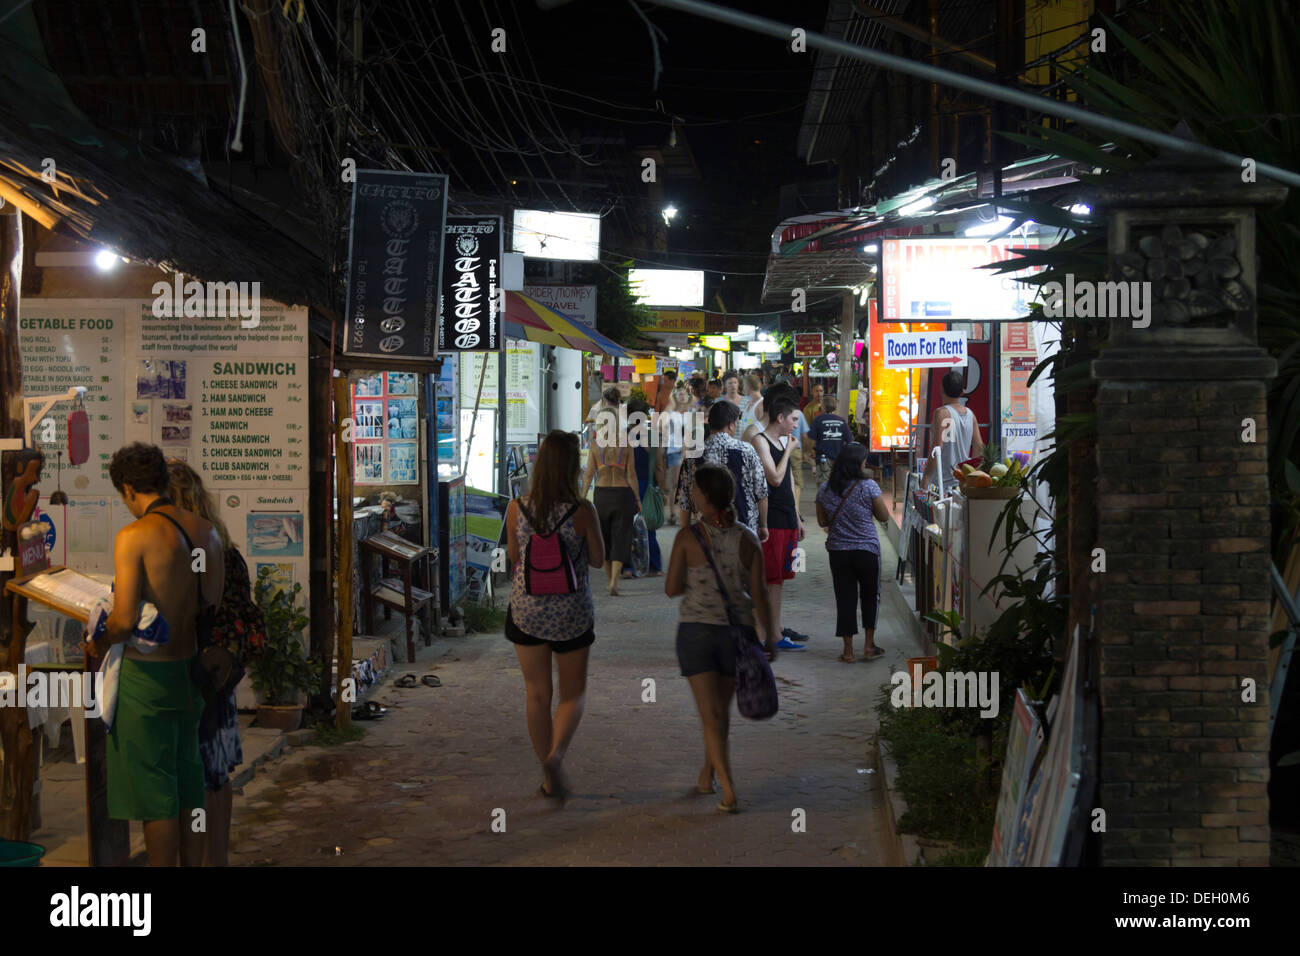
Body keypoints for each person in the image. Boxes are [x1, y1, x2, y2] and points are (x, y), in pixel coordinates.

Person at [94, 443, 224, 867]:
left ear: (129, 490)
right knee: (189, 784)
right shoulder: (206, 532)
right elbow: (210, 599)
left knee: (155, 791)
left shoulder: (134, 537)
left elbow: (124, 619)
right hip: (190, 675)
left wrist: (98, 639)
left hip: (146, 681)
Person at [167, 458, 263, 866]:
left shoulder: (193, 549)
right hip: (221, 675)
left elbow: (193, 612)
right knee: (217, 777)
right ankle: (217, 859)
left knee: (199, 781)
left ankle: (203, 859)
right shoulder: (223, 545)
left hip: (199, 676)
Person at [665, 464, 774, 813]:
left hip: (696, 631)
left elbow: (670, 589)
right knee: (718, 714)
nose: (691, 495)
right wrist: (769, 636)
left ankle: (728, 791)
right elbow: (759, 594)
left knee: (711, 716)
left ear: (706, 497)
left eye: (695, 490)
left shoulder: (687, 537)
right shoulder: (748, 539)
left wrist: (696, 583)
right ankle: (705, 775)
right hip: (736, 634)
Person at [505, 431, 605, 799]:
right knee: (572, 694)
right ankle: (556, 755)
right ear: (573, 467)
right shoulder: (583, 511)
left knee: (536, 693)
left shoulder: (518, 507)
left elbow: (515, 560)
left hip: (527, 611)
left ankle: (547, 777)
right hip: (572, 614)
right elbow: (597, 559)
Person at [816, 444, 891, 663]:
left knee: (845, 598)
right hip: (866, 550)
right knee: (870, 596)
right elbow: (885, 516)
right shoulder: (869, 486)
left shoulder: (825, 489)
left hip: (839, 552)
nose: (865, 464)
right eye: (864, 461)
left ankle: (848, 652)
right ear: (858, 463)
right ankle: (869, 646)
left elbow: (822, 521)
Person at [750, 392, 806, 650]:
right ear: (780, 417)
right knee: (769, 578)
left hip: (786, 517)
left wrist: (797, 516)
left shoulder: (785, 441)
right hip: (769, 518)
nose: (796, 425)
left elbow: (790, 481)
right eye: (793, 419)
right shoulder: (760, 440)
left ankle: (775, 632)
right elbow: (774, 477)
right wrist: (789, 451)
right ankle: (766, 635)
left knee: (781, 578)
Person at [676, 400, 770, 538]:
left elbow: (685, 499)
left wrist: (685, 532)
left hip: (706, 531)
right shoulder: (746, 450)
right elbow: (761, 492)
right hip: (744, 528)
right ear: (731, 426)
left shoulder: (693, 455)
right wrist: (763, 525)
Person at [584, 390, 641, 595]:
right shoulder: (626, 442)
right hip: (623, 494)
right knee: (622, 536)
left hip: (602, 495)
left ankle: (609, 578)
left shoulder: (595, 444)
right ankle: (614, 581)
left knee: (605, 538)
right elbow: (632, 474)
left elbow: (589, 475)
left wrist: (582, 497)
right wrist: (637, 498)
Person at [921, 369, 985, 493]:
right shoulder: (970, 415)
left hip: (941, 484)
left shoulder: (942, 413)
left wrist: (926, 476)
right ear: (962, 391)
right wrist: (971, 475)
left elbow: (937, 447)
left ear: (941, 389)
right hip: (961, 483)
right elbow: (979, 447)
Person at [629, 398, 666, 575]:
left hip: (626, 485)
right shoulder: (651, 437)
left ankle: (629, 567)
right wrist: (662, 490)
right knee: (648, 525)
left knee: (627, 526)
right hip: (647, 485)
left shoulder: (623, 436)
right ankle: (654, 566)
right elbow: (659, 466)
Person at [663, 388, 691, 525]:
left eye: (684, 394)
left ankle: (684, 513)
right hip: (674, 450)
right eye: (679, 394)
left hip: (688, 451)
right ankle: (673, 513)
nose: (682, 396)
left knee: (687, 483)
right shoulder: (671, 413)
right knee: (675, 484)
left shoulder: (690, 413)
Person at [808, 394, 850, 484]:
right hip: (839, 459)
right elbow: (849, 440)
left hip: (823, 459)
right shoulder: (842, 421)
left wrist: (811, 452)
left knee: (824, 485)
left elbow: (811, 440)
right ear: (835, 406)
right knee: (838, 484)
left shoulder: (818, 420)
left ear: (822, 406)